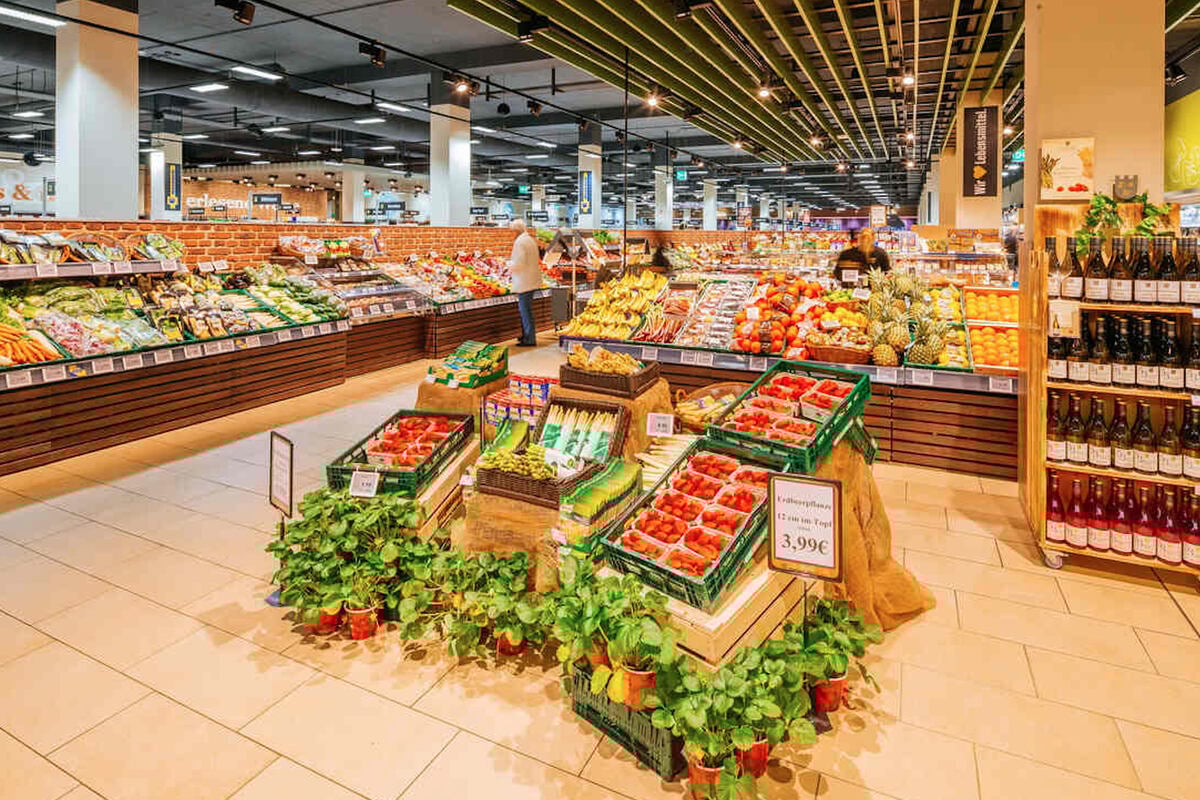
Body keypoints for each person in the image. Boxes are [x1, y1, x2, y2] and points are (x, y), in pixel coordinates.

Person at [508, 219, 543, 346]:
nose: (511, 234)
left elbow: (519, 263)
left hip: (524, 281)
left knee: (525, 311)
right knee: (526, 310)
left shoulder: (520, 242)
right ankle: (526, 335)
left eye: (511, 232)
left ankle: (529, 339)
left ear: (516, 231)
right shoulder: (529, 240)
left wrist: (508, 265)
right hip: (531, 280)